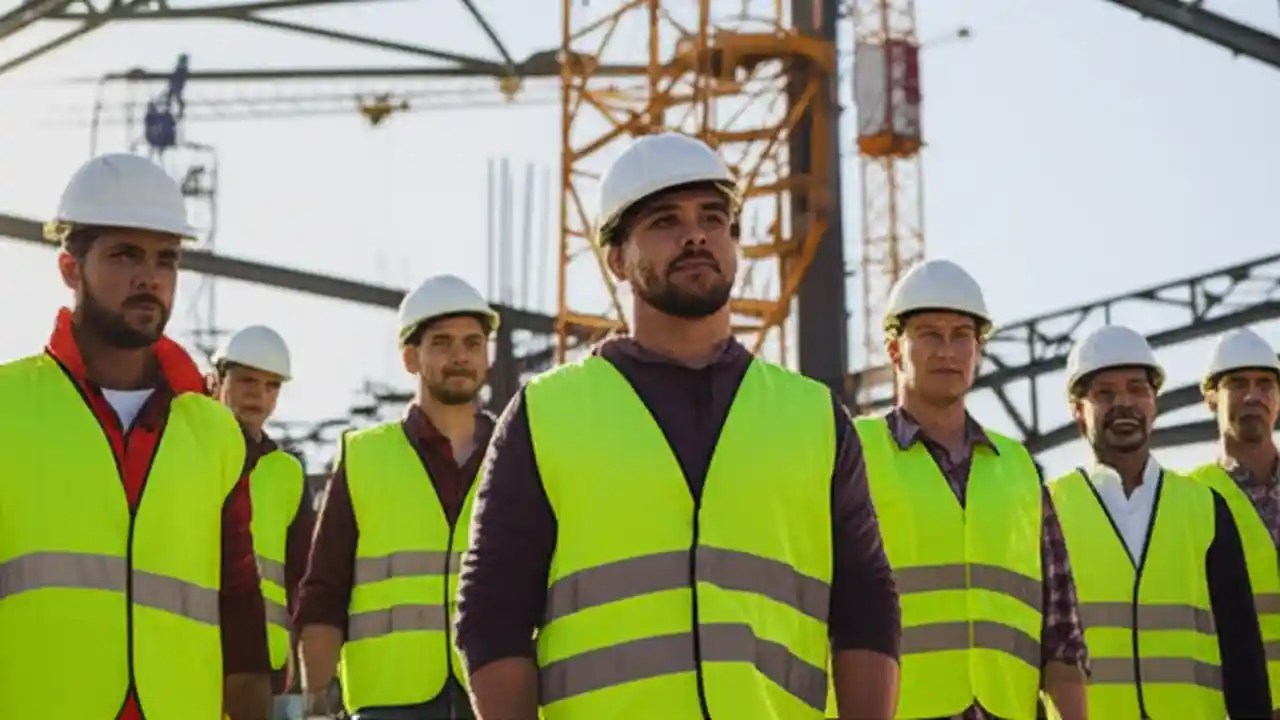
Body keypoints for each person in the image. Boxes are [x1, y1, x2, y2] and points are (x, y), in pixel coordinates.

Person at [455, 132, 901, 720]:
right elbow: (492, 617)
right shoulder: (545, 414)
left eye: (713, 218)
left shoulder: (813, 417)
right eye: (665, 221)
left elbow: (865, 608)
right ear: (617, 258)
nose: (695, 235)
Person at [0, 153, 271, 719]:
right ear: (70, 268)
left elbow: (241, 612)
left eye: (165, 259)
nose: (150, 277)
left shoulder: (213, 435)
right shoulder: (8, 406)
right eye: (125, 254)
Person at [854, 258, 1088, 720]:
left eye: (962, 335)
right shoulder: (854, 454)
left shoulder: (1018, 467)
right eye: (929, 334)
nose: (948, 351)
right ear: (896, 352)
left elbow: (1061, 632)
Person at [295, 274, 500, 720]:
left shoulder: (518, 453)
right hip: (389, 700)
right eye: (442, 343)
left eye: (473, 343)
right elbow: (325, 589)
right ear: (411, 357)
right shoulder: (365, 455)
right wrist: (315, 700)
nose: (460, 356)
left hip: (492, 690)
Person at [1047, 324, 1271, 718]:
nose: (1124, 403)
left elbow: (1243, 656)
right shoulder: (1046, 508)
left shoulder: (1205, 507)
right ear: (1078, 411)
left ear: (1154, 403)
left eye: (1137, 389)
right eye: (1105, 393)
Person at [210, 325, 316, 720]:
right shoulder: (187, 452)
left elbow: (302, 576)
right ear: (218, 379)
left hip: (260, 659)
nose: (259, 394)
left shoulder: (287, 473)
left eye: (272, 385)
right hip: (191, 642)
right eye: (248, 380)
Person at [1186, 327, 1280, 716]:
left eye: (1265, 384)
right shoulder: (1188, 499)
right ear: (1211, 398)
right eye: (1237, 384)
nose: (1253, 396)